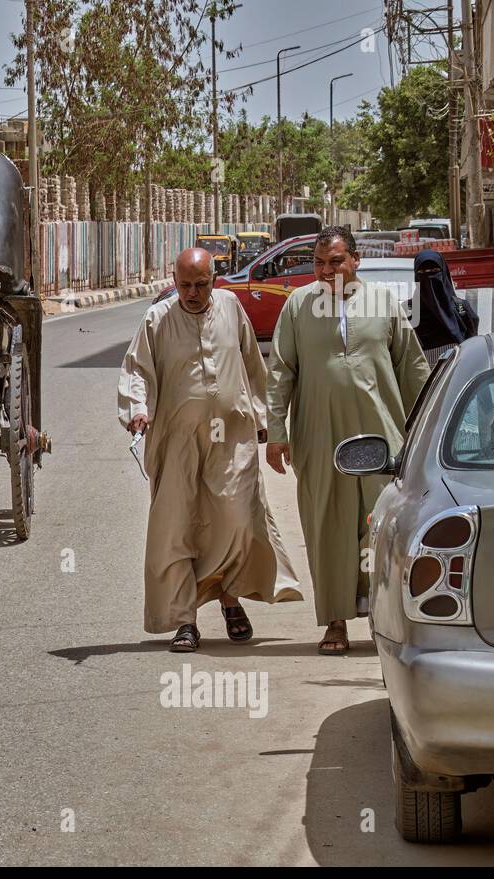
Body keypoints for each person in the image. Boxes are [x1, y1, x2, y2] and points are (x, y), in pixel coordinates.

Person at [119, 247, 302, 652]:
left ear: (215, 280)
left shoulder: (232, 307)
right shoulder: (158, 319)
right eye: (184, 285)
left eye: (201, 285)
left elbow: (253, 365)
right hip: (176, 439)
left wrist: (264, 421)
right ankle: (184, 620)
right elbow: (137, 370)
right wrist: (137, 410)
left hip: (232, 437)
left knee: (237, 518)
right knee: (177, 527)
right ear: (173, 280)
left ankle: (230, 597)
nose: (192, 293)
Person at [265, 226, 430, 655]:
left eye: (335, 261)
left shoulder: (382, 303)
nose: (326, 270)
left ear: (355, 260)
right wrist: (277, 434)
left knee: (383, 527)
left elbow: (412, 367)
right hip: (319, 437)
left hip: (382, 434)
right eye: (319, 262)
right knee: (327, 527)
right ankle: (335, 622)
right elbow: (281, 371)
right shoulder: (298, 306)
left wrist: (431, 426)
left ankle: (386, 619)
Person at [412, 249, 479, 366]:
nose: (429, 276)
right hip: (421, 381)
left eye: (434, 270)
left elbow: (473, 350)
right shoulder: (408, 313)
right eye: (423, 271)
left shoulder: (461, 309)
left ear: (444, 274)